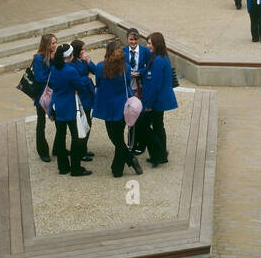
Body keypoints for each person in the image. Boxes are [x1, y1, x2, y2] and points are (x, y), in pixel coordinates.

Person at [90, 39, 143, 177]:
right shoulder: (125, 67)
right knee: (119, 137)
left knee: (115, 138)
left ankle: (121, 166)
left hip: (107, 106)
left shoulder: (100, 67)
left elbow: (99, 83)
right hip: (122, 106)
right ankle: (121, 166)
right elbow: (127, 84)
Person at [48, 41, 93, 176]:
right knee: (77, 137)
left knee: (61, 137)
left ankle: (63, 167)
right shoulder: (71, 70)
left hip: (57, 105)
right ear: (69, 56)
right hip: (70, 107)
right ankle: (75, 168)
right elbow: (80, 87)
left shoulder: (54, 68)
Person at [139, 31, 178, 166]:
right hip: (160, 100)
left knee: (146, 126)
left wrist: (149, 104)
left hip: (157, 101)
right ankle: (161, 154)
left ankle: (158, 154)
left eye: (150, 43)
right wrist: (141, 72)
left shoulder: (157, 60)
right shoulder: (161, 57)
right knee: (158, 126)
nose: (148, 46)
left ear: (156, 44)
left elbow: (155, 85)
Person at [30, 33, 58, 162]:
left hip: (55, 93)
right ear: (46, 44)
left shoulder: (55, 56)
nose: (55, 45)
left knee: (60, 121)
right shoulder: (38, 58)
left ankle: (58, 148)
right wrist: (52, 61)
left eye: (55, 42)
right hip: (43, 95)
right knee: (41, 123)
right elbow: (40, 78)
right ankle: (42, 151)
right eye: (52, 43)